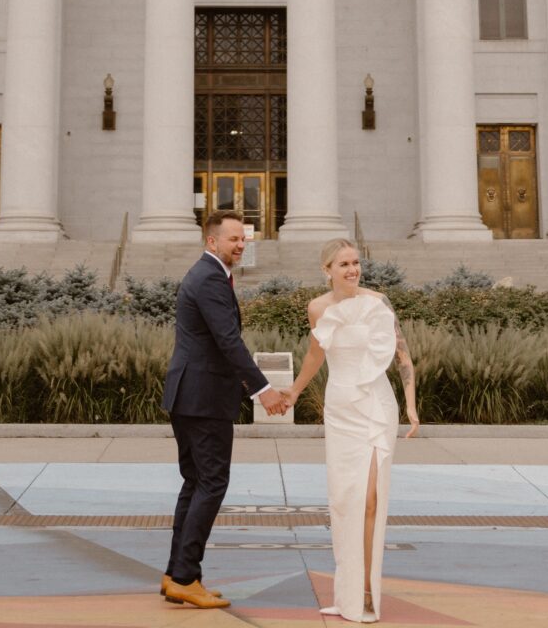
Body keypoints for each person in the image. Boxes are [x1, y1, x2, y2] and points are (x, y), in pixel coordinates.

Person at [280, 238, 419, 624]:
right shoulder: (318, 308)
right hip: (340, 408)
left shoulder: (378, 302)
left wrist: (410, 405)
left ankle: (368, 596)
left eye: (356, 263)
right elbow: (315, 354)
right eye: (344, 264)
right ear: (327, 270)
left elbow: (402, 356)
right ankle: (346, 597)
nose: (353, 270)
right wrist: (293, 391)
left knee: (371, 499)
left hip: (376, 407)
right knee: (345, 500)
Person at [161, 210, 288, 609]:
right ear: (212, 241)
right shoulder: (210, 278)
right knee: (212, 483)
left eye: (244, 238)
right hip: (203, 399)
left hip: (191, 396)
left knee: (195, 483)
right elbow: (228, 341)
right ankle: (183, 576)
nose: (241, 244)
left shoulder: (207, 274)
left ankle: (178, 574)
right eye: (234, 238)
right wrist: (263, 390)